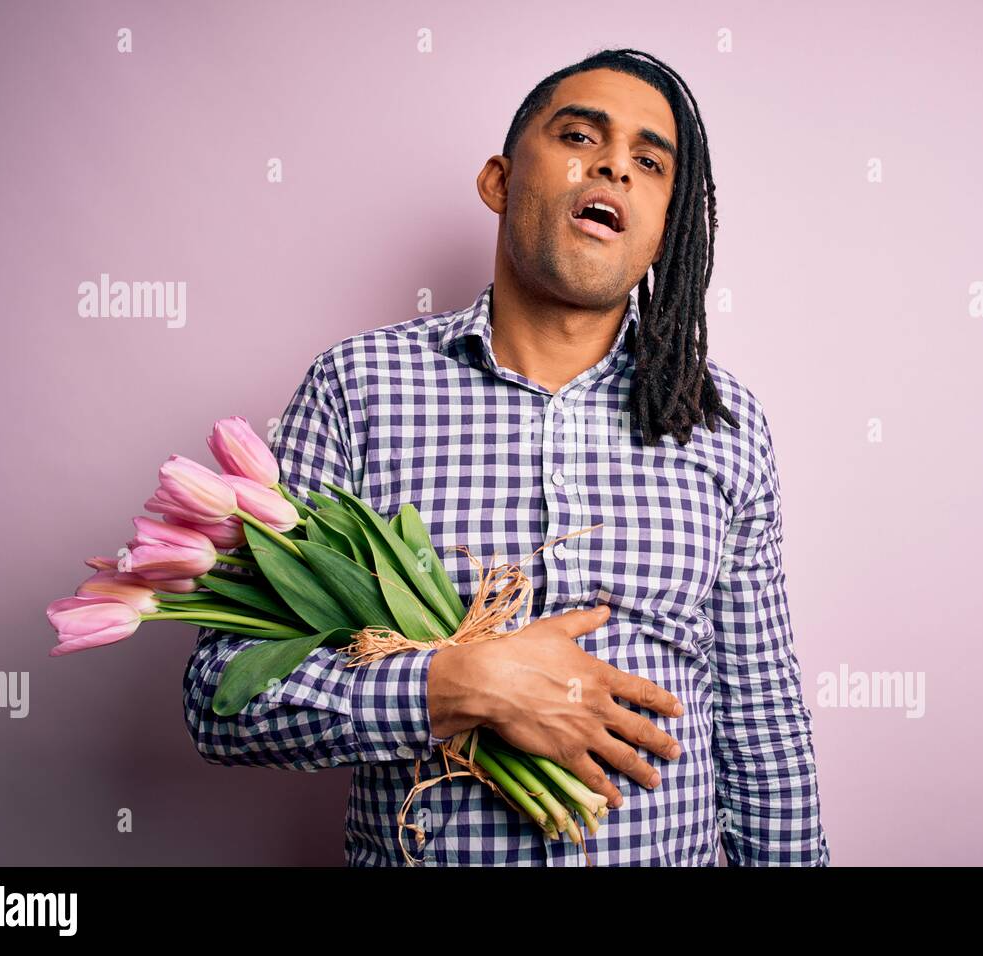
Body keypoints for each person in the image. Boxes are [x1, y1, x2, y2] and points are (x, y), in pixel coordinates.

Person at [183, 47, 829, 867]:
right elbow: (221, 698)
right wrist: (452, 688)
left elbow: (762, 720)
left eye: (649, 161)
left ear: (666, 230)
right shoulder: (357, 388)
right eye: (579, 136)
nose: (613, 168)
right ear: (498, 181)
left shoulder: (721, 424)